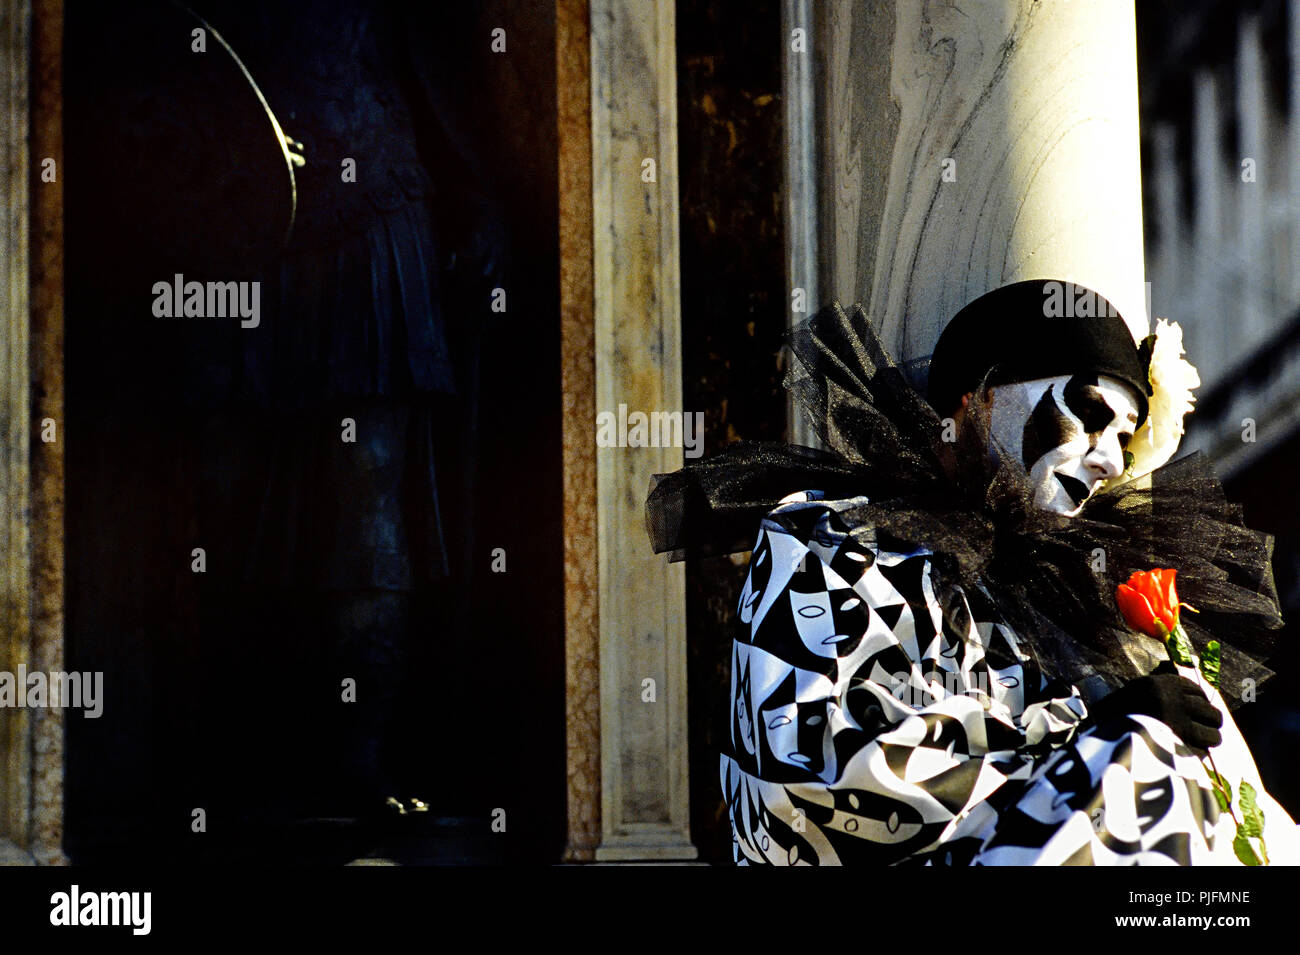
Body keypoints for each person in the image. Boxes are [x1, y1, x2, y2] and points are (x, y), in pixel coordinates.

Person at [647, 281, 1297, 865]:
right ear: (978, 397)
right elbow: (803, 776)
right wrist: (1086, 734)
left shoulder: (1042, 595)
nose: (1107, 460)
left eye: (1124, 439)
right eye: (1090, 414)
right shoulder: (828, 538)